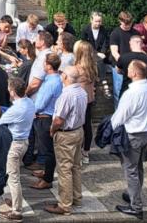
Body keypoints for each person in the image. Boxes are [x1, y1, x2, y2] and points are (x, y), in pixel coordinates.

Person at [111, 60, 147, 219]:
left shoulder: (131, 93)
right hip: (146, 133)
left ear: (134, 73)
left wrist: (109, 130)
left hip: (133, 135)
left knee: (130, 170)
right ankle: (133, 194)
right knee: (138, 168)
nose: (126, 71)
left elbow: (120, 116)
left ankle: (136, 206)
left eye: (129, 69)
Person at [46, 65, 87, 216]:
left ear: (65, 77)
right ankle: (76, 198)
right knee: (75, 166)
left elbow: (59, 119)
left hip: (66, 134)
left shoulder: (67, 95)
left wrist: (52, 129)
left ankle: (64, 205)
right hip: (78, 131)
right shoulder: (81, 91)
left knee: (64, 169)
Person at [0, 77, 34, 221]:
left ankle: (17, 211)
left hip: (15, 144)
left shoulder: (16, 109)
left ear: (12, 91)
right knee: (13, 174)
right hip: (24, 141)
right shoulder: (29, 102)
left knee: (13, 178)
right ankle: (13, 199)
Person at [29, 53, 62, 193]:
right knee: (46, 149)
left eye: (44, 63)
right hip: (46, 116)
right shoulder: (54, 79)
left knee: (48, 150)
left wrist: (30, 110)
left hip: (44, 118)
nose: (43, 65)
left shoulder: (51, 83)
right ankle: (46, 172)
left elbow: (41, 104)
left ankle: (47, 179)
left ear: (48, 66)